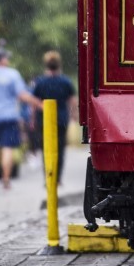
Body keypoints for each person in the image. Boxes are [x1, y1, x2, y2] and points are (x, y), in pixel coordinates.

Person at [0, 48, 42, 190]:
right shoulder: (12, 74)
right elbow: (22, 95)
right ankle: (5, 179)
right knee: (7, 148)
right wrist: (39, 104)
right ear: (1, 60)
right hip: (10, 116)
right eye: (6, 58)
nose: (8, 60)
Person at [31, 50, 78, 185]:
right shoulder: (65, 81)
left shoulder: (40, 82)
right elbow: (73, 101)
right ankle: (58, 178)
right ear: (59, 64)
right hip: (61, 119)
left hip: (44, 120)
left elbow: (34, 102)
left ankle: (48, 177)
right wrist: (74, 116)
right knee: (60, 149)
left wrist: (33, 119)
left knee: (46, 148)